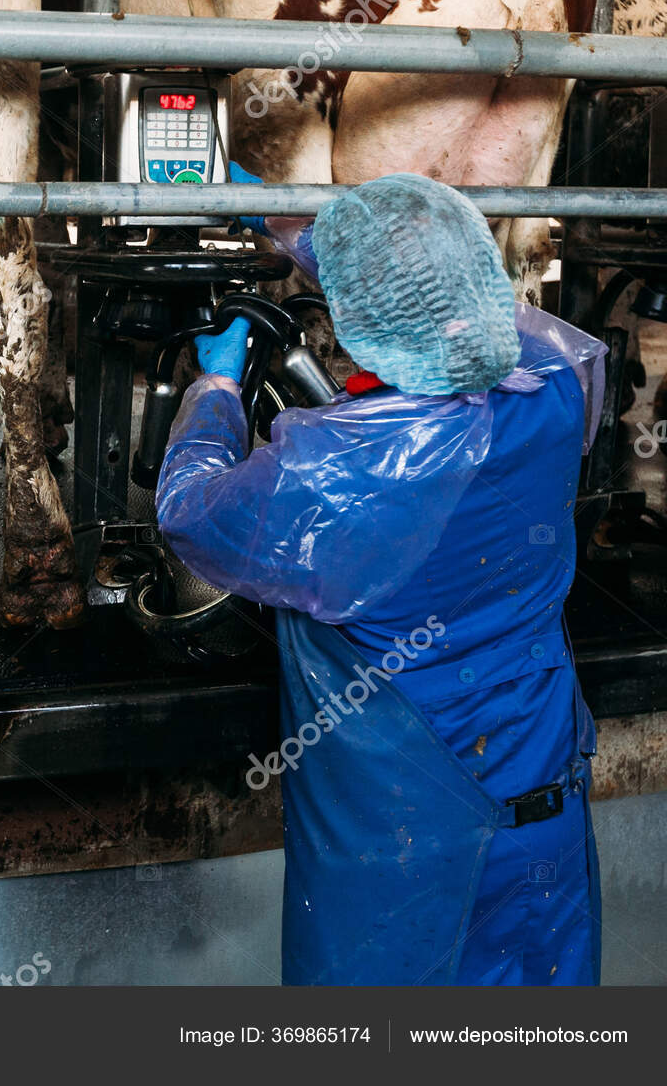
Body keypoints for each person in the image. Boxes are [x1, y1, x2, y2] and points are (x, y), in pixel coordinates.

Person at [155, 173, 607, 986]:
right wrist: (295, 220)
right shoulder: (556, 391)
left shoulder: (335, 473)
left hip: (404, 864)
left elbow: (190, 512)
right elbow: (454, 306)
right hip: (549, 823)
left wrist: (216, 385)